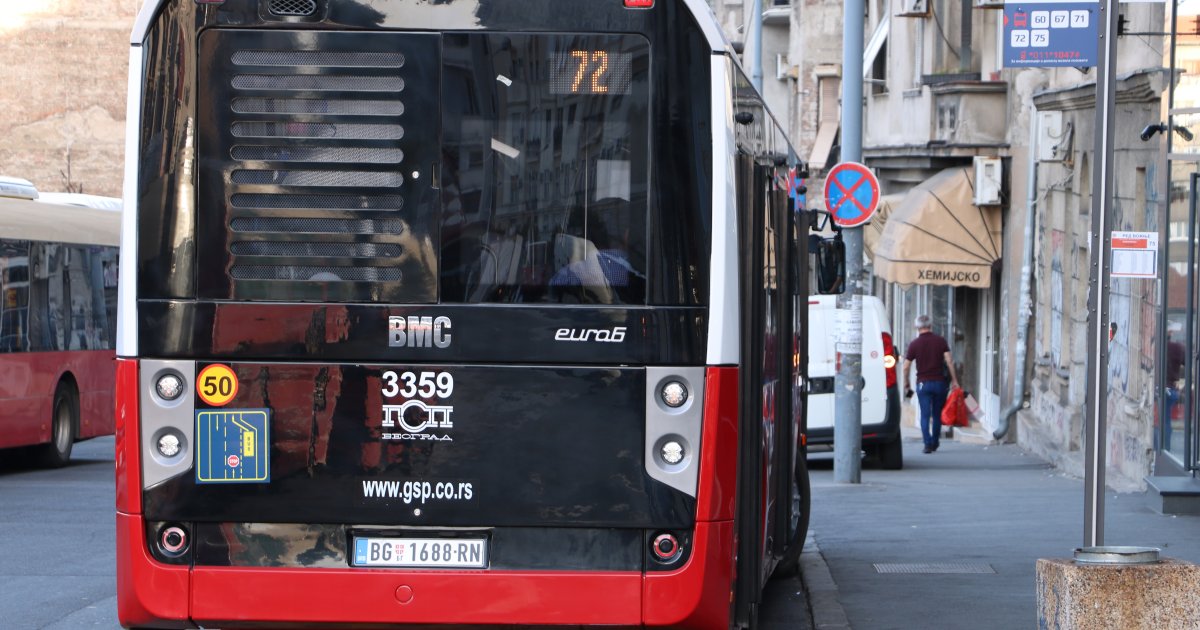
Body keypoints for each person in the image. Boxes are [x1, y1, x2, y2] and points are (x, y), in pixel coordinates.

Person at [902, 314, 959, 454]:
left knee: (925, 415)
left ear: (917, 327)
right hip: (940, 383)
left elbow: (905, 366)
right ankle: (935, 442)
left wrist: (906, 384)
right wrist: (955, 380)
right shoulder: (940, 341)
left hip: (923, 384)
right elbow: (949, 361)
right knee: (937, 414)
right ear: (931, 326)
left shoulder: (914, 344)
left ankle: (927, 444)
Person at [1163, 321, 1185, 451]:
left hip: (1162, 388)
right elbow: (1187, 363)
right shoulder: (1177, 348)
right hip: (1171, 388)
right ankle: (1167, 449)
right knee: (1166, 421)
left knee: (1161, 421)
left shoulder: (1158, 347)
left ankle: (1163, 450)